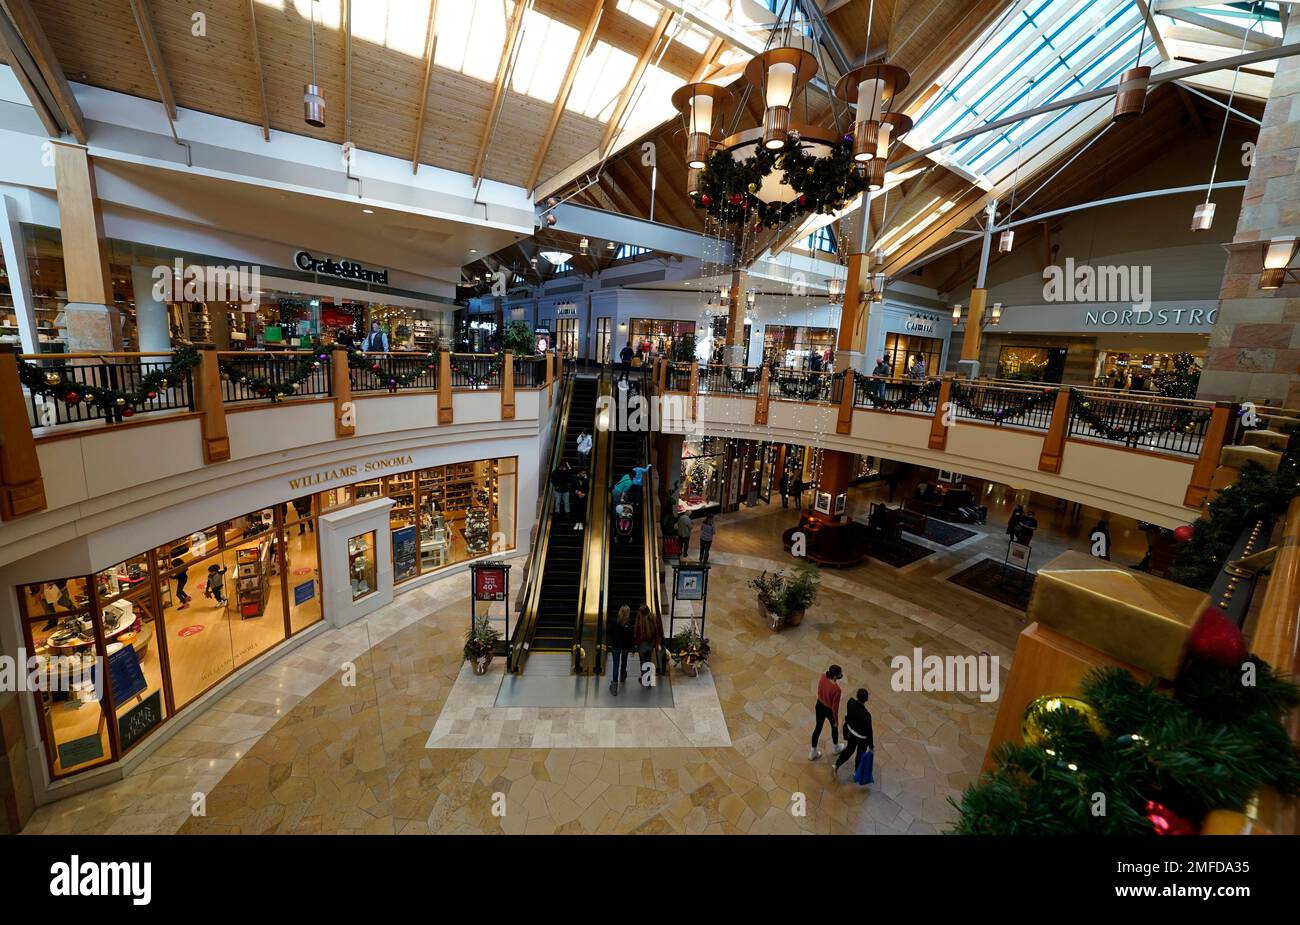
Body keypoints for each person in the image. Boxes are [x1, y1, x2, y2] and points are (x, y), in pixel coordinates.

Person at [833, 688, 874, 782]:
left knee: (848, 751)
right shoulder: (867, 715)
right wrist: (871, 746)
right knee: (860, 755)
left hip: (851, 734)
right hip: (862, 739)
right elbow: (869, 731)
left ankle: (836, 765)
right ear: (866, 699)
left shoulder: (850, 703)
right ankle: (856, 772)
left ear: (857, 696)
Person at [810, 665, 845, 760]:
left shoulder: (822, 676)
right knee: (834, 728)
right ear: (835, 676)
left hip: (819, 705)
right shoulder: (837, 690)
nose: (841, 675)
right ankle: (835, 748)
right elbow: (835, 707)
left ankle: (813, 752)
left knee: (818, 727)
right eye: (840, 674)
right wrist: (836, 720)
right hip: (829, 710)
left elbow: (819, 689)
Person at [607, 604, 634, 695]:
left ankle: (614, 688)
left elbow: (609, 632)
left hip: (615, 646)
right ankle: (622, 676)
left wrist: (610, 643)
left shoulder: (614, 621)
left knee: (615, 665)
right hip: (625, 647)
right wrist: (632, 647)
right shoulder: (629, 623)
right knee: (624, 661)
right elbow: (631, 637)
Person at [634, 604, 660, 679]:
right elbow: (656, 633)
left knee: (643, 662)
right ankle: (648, 678)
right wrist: (656, 643)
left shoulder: (639, 623)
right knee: (648, 661)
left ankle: (644, 678)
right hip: (651, 644)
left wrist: (637, 644)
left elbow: (637, 636)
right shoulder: (653, 620)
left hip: (642, 645)